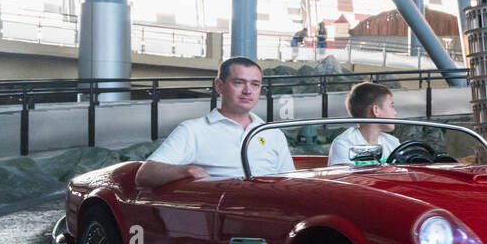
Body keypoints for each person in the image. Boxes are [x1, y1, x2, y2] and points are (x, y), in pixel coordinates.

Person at [134, 57, 295, 186]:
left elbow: (291, 183)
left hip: (269, 212)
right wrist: (187, 171)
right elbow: (145, 174)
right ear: (219, 86)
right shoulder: (193, 130)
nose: (248, 91)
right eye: (239, 82)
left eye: (255, 84)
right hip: (220, 213)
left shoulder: (272, 133)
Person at [328, 82, 399, 166]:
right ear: (376, 110)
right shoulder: (345, 143)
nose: (395, 113)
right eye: (391, 106)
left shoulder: (393, 142)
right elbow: (347, 178)